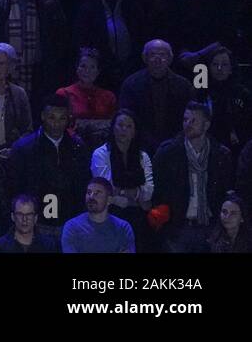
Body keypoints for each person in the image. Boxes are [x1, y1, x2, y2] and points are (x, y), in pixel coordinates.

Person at [153, 100, 235, 252]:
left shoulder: (221, 155)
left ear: (206, 125)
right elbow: (157, 191)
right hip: (179, 228)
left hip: (212, 226)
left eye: (193, 120)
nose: (187, 124)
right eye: (185, 120)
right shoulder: (168, 153)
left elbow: (227, 192)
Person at [10, 94, 92, 236]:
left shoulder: (77, 147)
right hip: (36, 224)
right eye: (52, 117)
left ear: (68, 119)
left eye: (62, 118)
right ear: (43, 116)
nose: (56, 124)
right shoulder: (24, 148)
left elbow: (83, 184)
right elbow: (15, 188)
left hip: (71, 222)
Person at [90, 109, 155, 246]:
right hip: (110, 216)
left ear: (134, 131)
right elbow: (106, 188)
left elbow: (149, 190)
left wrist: (121, 193)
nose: (123, 130)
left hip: (138, 220)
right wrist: (136, 197)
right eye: (120, 125)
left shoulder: (143, 156)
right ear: (113, 128)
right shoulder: (101, 154)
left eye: (129, 126)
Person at [118, 40, 194, 154]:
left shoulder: (184, 86)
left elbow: (190, 118)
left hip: (177, 147)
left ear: (170, 59)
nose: (157, 59)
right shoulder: (131, 84)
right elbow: (126, 117)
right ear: (145, 58)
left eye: (162, 54)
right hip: (138, 147)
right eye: (152, 54)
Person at [62, 177, 136, 252]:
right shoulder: (72, 227)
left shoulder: (123, 228)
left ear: (109, 200)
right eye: (89, 192)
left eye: (97, 193)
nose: (91, 197)